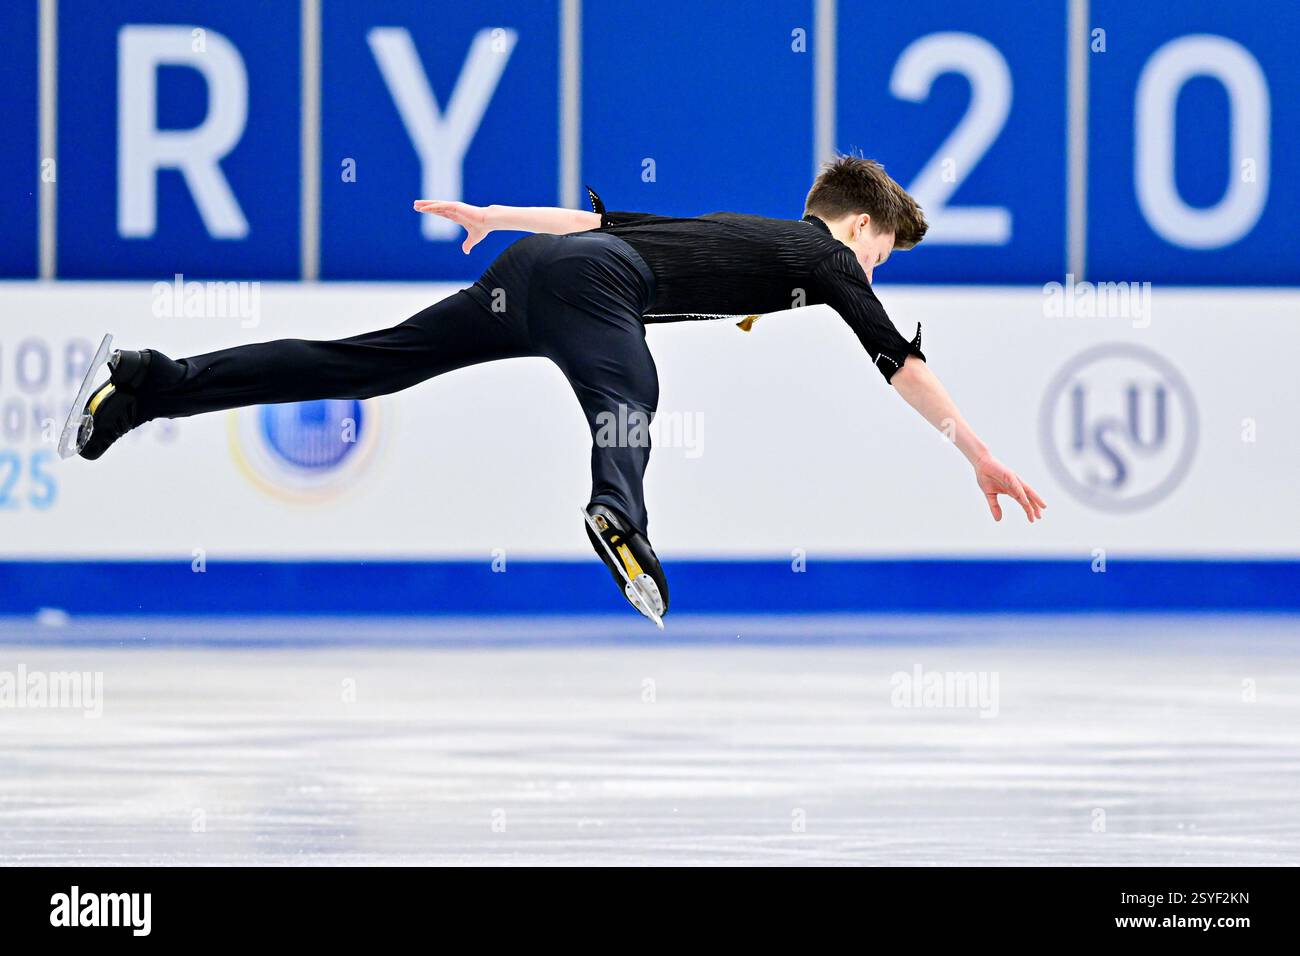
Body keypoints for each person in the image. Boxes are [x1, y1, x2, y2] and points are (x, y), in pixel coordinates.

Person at [69, 155, 1045, 626]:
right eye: (881, 252)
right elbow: (894, 357)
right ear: (860, 226)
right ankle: (618, 515)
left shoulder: (746, 230)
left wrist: (487, 215)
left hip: (533, 273)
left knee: (354, 361)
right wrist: (976, 448)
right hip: (592, 286)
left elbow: (593, 220)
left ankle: (149, 386)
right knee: (634, 393)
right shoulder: (823, 254)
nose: (874, 272)